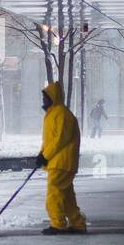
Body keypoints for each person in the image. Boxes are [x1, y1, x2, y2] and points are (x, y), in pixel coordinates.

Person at [34, 81, 87, 234]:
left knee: (54, 194)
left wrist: (45, 155)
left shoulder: (61, 114)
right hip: (59, 162)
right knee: (67, 197)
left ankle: (57, 224)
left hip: (61, 163)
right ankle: (78, 224)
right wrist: (41, 154)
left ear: (53, 97)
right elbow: (49, 140)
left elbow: (60, 139)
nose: (43, 101)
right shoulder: (53, 114)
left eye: (45, 98)